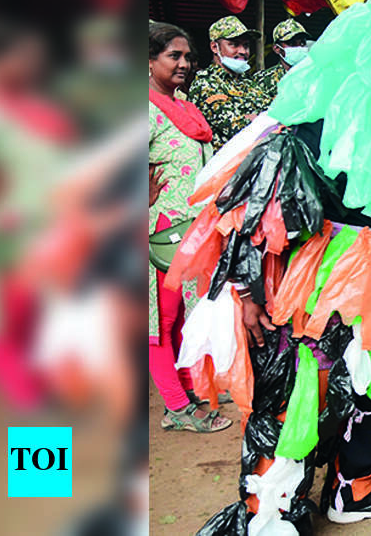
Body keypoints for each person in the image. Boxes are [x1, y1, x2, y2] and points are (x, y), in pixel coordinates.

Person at [185, 0, 371, 531]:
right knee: (300, 396)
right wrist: (248, 293)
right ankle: (269, 514)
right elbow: (256, 215)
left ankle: (355, 489)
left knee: (370, 388)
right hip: (317, 297)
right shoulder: (314, 127)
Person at [147, 22, 230, 433]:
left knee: (183, 318)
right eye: (173, 56)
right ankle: (177, 407)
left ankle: (191, 390)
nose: (184, 63)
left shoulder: (184, 105)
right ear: (148, 61)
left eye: (187, 57)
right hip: (154, 234)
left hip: (190, 232)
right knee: (158, 323)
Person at [187, 15, 272, 150]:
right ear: (215, 47)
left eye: (246, 45)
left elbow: (275, 116)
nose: (243, 51)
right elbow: (237, 127)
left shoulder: (249, 82)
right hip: (225, 167)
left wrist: (257, 118)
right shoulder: (206, 84)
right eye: (234, 44)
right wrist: (257, 119)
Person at [254, 18, 311, 98]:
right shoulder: (264, 80)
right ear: (277, 49)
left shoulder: (314, 76)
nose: (299, 47)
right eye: (292, 43)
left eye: (302, 43)